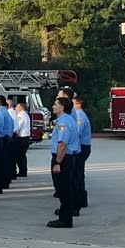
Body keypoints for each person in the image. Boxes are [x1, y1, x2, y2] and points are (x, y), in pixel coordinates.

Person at [49, 96, 81, 228]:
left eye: (55, 104)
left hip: (63, 159)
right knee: (65, 188)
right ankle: (64, 214)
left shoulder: (64, 122)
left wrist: (57, 163)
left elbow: (62, 145)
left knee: (63, 190)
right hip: (66, 158)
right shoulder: (67, 120)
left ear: (61, 108)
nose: (53, 106)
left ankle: (65, 219)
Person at [72, 95, 93, 210]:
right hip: (82, 147)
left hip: (82, 147)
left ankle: (79, 200)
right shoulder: (78, 115)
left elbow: (77, 133)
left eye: (73, 103)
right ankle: (81, 199)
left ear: (78, 105)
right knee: (78, 174)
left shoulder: (79, 116)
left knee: (77, 175)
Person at [13, 102, 31, 178]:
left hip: (22, 138)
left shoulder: (21, 115)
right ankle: (23, 170)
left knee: (20, 155)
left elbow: (17, 127)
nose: (15, 108)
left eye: (17, 107)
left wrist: (13, 136)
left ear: (21, 108)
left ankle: (22, 171)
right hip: (25, 137)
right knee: (22, 155)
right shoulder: (25, 114)